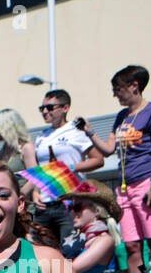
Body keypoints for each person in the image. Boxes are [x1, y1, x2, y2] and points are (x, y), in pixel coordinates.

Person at [80, 66, 151, 273]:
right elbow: (109, 149)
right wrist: (89, 131)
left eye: (118, 89)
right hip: (124, 188)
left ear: (134, 86)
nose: (115, 95)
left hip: (146, 182)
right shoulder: (121, 116)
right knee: (130, 244)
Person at [33, 89, 105, 243]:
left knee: (68, 251)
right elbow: (41, 168)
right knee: (41, 253)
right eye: (42, 108)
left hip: (68, 202)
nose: (45, 111)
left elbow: (98, 159)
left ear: (65, 108)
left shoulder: (76, 131)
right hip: (45, 204)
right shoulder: (41, 136)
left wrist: (71, 167)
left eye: (50, 107)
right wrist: (35, 191)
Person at [56, 181, 121, 273]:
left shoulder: (105, 240)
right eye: (70, 207)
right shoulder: (78, 239)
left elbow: (71, 268)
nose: (72, 213)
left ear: (97, 210)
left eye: (77, 207)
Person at [0, 109, 37, 176]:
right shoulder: (1, 153)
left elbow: (35, 177)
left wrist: (23, 187)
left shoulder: (26, 148)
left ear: (6, 127)